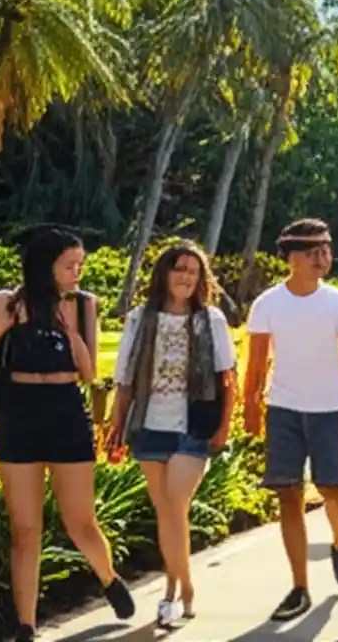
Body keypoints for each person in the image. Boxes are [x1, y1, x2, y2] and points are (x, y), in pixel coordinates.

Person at [0, 226, 135, 642]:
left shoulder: (83, 306)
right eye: (69, 265)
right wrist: (12, 317)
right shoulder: (8, 302)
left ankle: (108, 578)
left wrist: (69, 328)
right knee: (25, 530)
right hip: (20, 414)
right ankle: (25, 625)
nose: (76, 272)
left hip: (65, 412)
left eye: (80, 265)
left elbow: (89, 371)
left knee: (79, 521)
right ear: (45, 267)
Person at [242, 218, 338, 621]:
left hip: (330, 409)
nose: (323, 258)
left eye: (326, 250)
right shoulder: (267, 304)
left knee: (333, 489)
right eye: (314, 251)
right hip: (284, 410)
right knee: (288, 495)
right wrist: (249, 405)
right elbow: (257, 363)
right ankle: (299, 586)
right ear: (292, 258)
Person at [107, 242, 237, 628]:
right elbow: (125, 379)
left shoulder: (209, 320)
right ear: (164, 273)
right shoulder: (140, 319)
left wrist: (224, 425)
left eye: (193, 271)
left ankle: (170, 594)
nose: (184, 276)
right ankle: (188, 587)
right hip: (149, 425)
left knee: (176, 506)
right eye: (178, 268)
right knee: (166, 512)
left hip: (194, 425)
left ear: (201, 280)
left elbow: (227, 379)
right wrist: (116, 423)